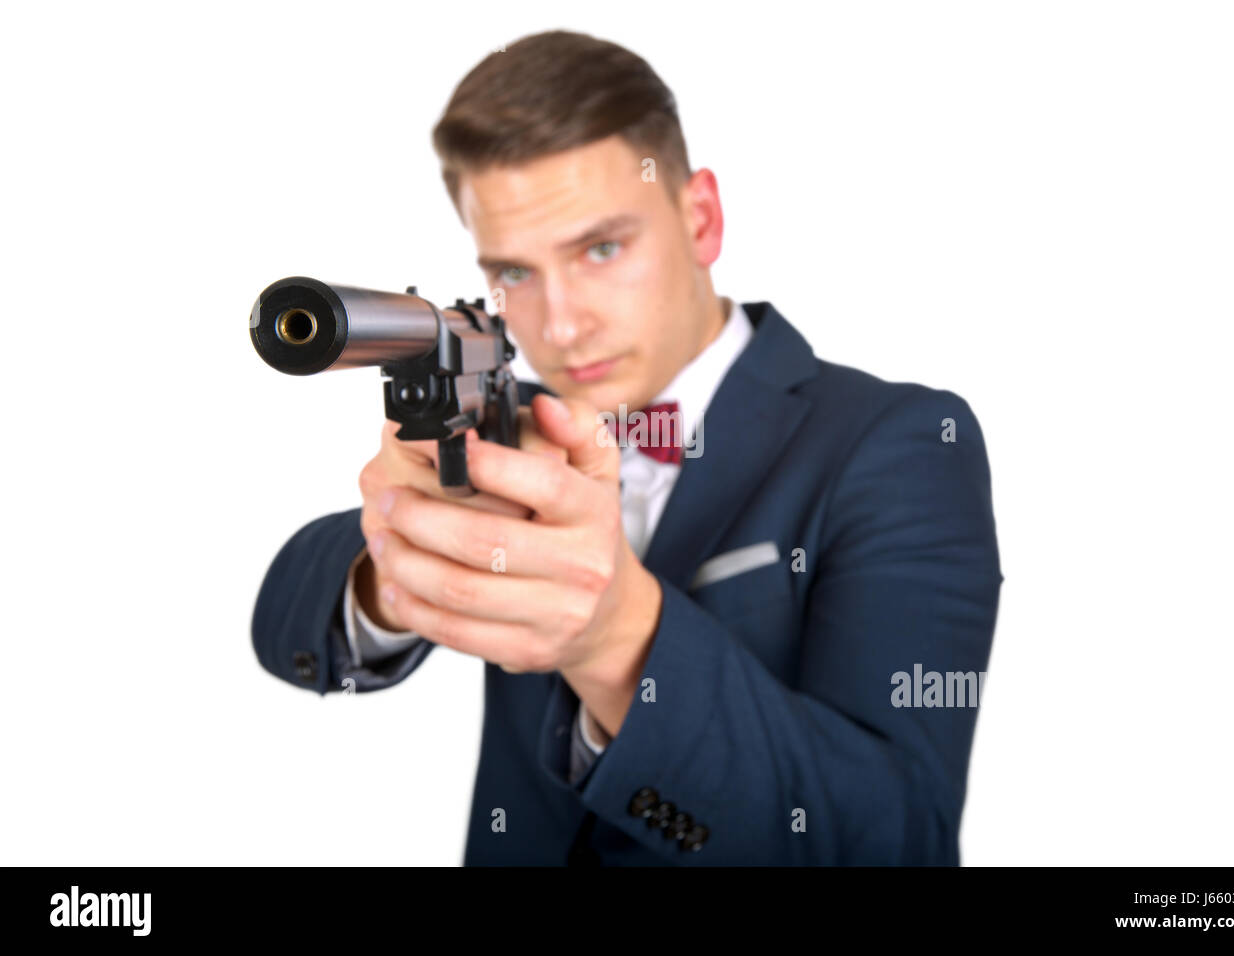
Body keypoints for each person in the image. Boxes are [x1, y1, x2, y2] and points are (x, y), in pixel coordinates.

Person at [251, 29, 1002, 865]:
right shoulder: (516, 432)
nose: (561, 325)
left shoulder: (900, 442)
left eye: (601, 248)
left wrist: (617, 639)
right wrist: (397, 558)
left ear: (702, 219)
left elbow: (897, 841)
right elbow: (289, 619)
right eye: (515, 273)